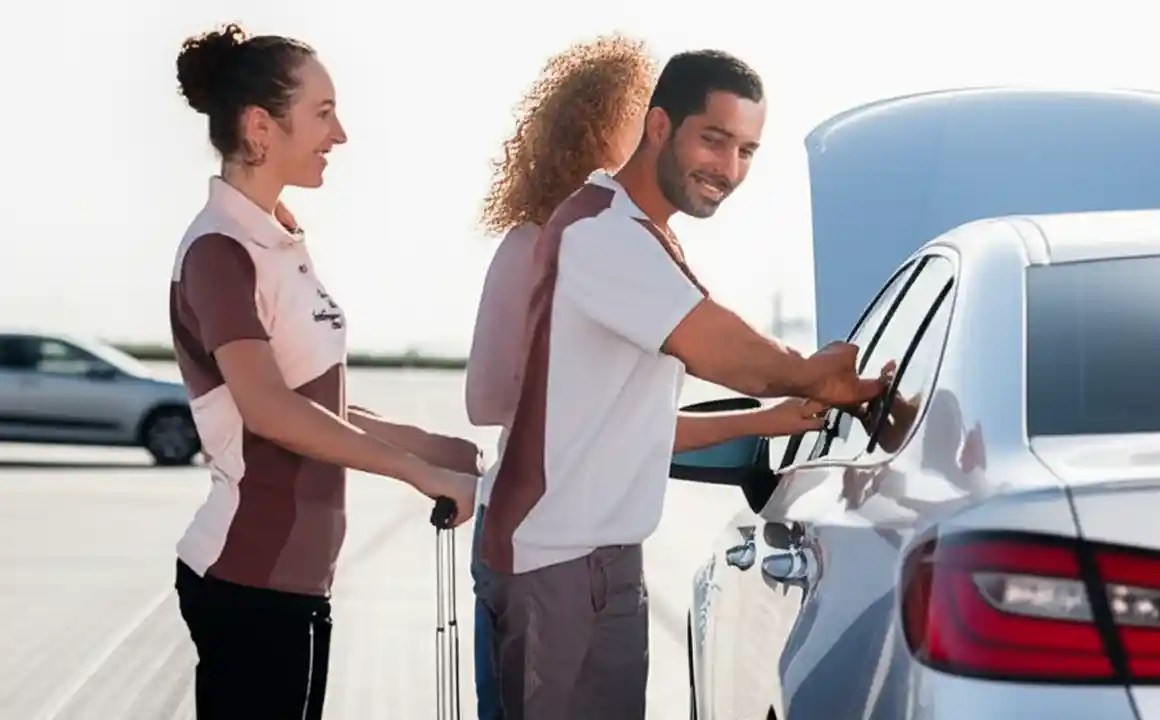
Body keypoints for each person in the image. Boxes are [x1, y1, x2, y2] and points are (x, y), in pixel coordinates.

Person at [475, 48, 884, 719]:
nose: (729, 169)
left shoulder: (647, 236)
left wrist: (762, 418)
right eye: (714, 140)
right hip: (546, 561)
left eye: (748, 150)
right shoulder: (600, 230)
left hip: (609, 558)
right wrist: (817, 373)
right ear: (659, 126)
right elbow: (721, 347)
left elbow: (630, 427)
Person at [169, 23, 479, 719]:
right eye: (322, 113)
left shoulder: (273, 240)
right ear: (259, 127)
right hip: (248, 582)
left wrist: (438, 449)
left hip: (294, 585)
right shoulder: (222, 252)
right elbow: (271, 411)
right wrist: (418, 473)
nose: (339, 134)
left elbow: (319, 401)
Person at [465, 32, 661, 720]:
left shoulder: (633, 252)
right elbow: (485, 398)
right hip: (538, 550)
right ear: (597, 130)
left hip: (611, 552)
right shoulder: (529, 245)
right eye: (642, 119)